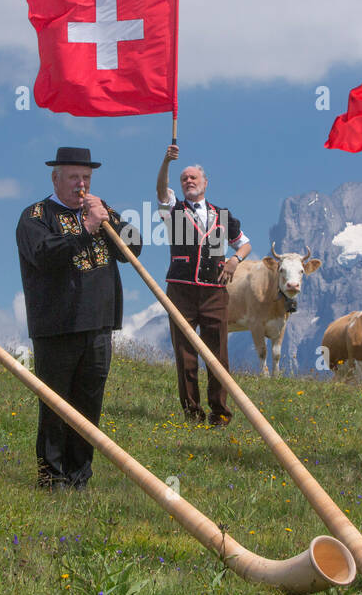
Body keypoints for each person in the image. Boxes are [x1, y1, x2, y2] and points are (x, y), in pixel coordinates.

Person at [16, 147, 143, 489]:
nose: (80, 184)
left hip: (99, 324)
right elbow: (45, 256)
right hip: (56, 326)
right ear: (55, 178)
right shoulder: (35, 215)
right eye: (73, 177)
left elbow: (134, 248)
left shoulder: (102, 212)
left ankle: (79, 476)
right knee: (57, 404)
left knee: (89, 403)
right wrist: (85, 228)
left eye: (86, 177)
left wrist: (109, 219)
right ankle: (52, 476)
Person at [155, 144, 251, 425]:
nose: (188, 181)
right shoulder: (173, 209)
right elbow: (162, 189)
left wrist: (235, 260)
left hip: (214, 293)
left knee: (218, 355)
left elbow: (244, 244)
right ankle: (192, 414)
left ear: (205, 182)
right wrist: (166, 162)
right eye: (184, 178)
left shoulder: (222, 215)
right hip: (181, 291)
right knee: (185, 356)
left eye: (193, 177)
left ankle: (220, 413)